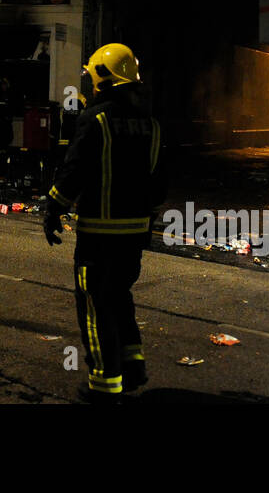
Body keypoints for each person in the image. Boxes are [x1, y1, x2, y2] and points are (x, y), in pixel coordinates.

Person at [42, 43, 165, 403]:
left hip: (98, 235)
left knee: (95, 306)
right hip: (136, 234)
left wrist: (53, 208)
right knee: (120, 297)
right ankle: (134, 366)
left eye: (93, 75)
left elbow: (74, 172)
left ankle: (105, 384)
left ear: (103, 77)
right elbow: (160, 183)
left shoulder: (94, 120)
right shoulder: (153, 125)